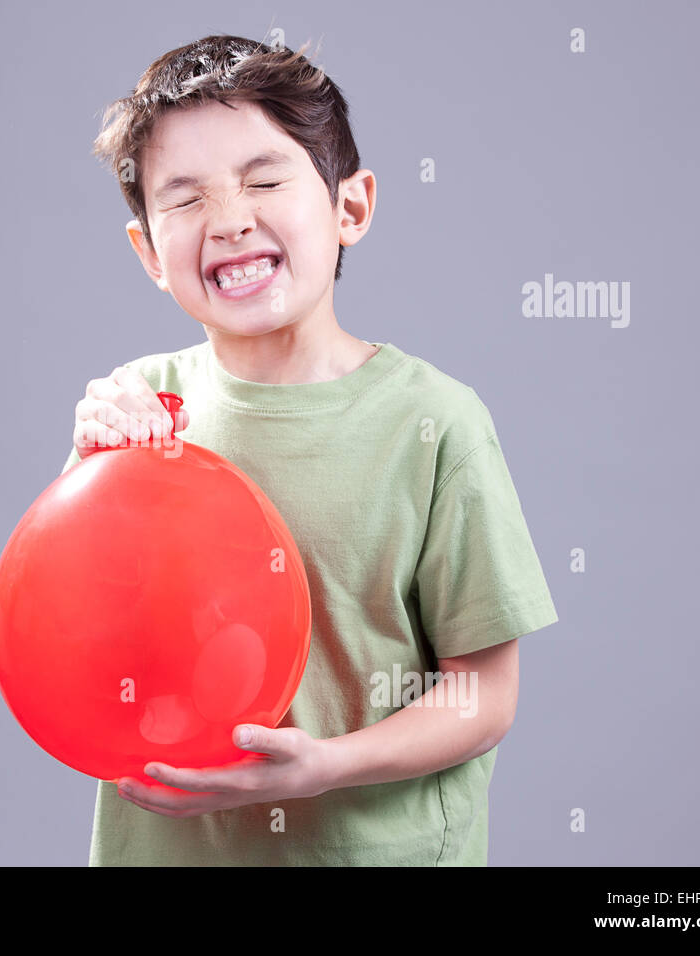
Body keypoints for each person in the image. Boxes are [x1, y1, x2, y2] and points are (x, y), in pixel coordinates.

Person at [59, 34, 558, 866]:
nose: (229, 220)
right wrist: (89, 470)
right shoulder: (143, 410)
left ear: (349, 209)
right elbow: (78, 636)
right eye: (183, 200)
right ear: (148, 249)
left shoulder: (433, 422)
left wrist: (325, 768)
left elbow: (485, 691)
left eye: (264, 179)